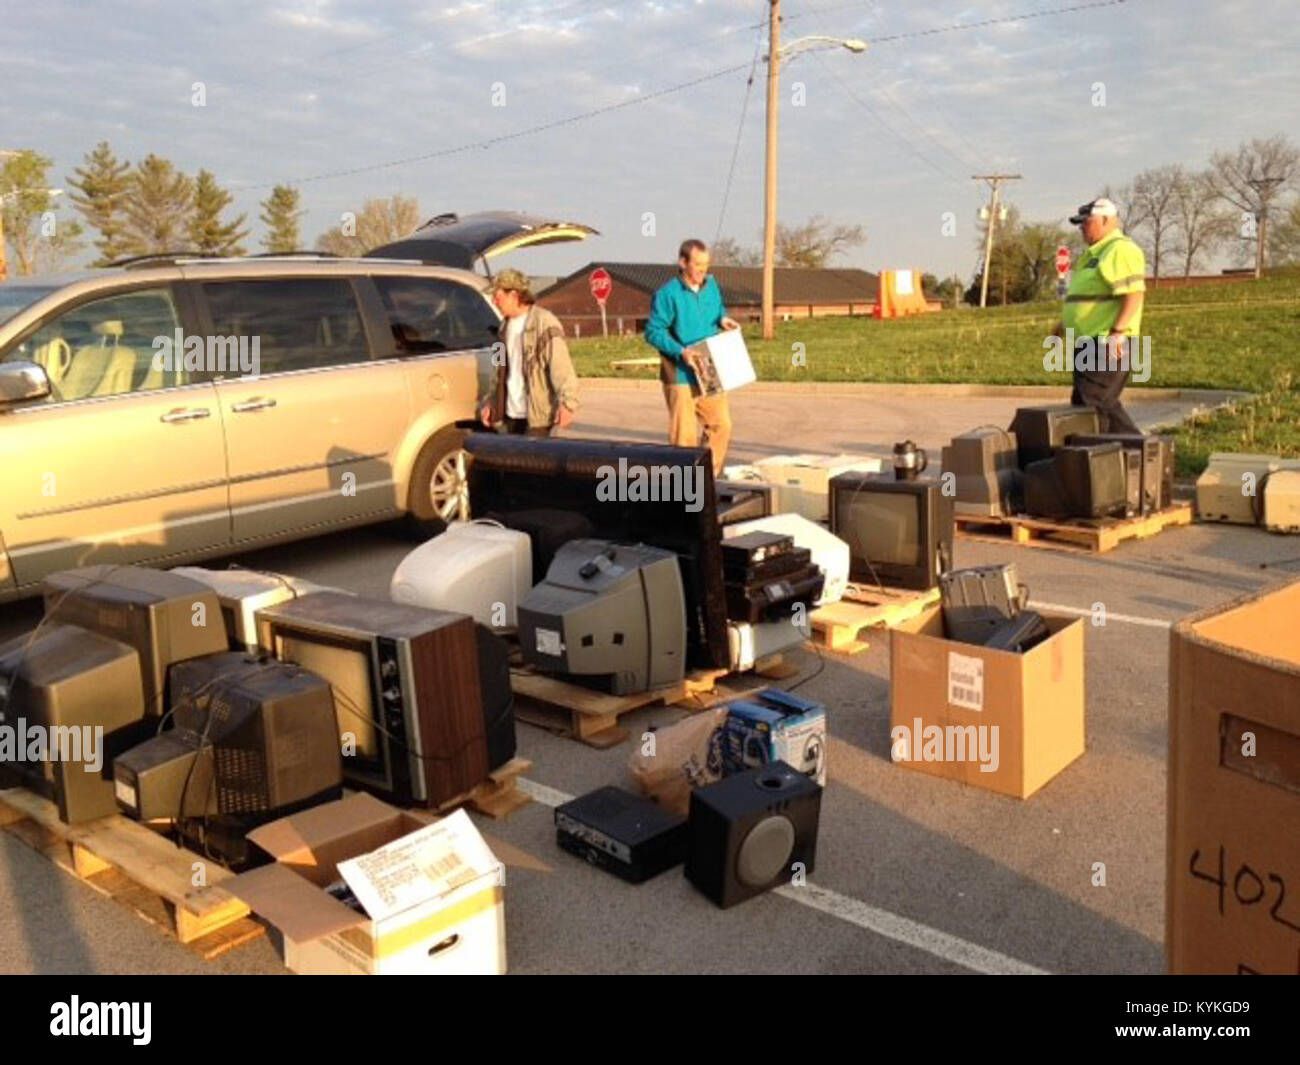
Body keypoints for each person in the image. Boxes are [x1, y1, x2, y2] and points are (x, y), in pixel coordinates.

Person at [644, 239, 741, 475]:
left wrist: (723, 319)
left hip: (709, 369)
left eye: (706, 265)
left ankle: (707, 479)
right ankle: (683, 491)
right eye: (697, 265)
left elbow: (718, 310)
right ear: (683, 262)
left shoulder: (712, 286)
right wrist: (681, 351)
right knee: (684, 439)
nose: (702, 270)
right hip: (680, 375)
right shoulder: (668, 294)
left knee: (721, 425)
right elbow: (653, 332)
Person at [1051, 197, 1146, 434]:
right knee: (1094, 404)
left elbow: (1134, 295)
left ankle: (1123, 456)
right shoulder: (1094, 254)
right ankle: (1135, 456)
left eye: (1086, 222)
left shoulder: (1120, 249)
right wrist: (1065, 323)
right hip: (1088, 342)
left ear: (1106, 220)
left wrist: (1117, 333)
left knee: (1091, 405)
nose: (1081, 227)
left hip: (1106, 342)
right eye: (1079, 223)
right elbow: (1089, 296)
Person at [480, 268, 579, 437]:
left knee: (533, 463)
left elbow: (561, 367)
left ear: (513, 295)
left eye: (497, 297)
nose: (495, 302)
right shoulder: (502, 328)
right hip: (509, 416)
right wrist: (490, 401)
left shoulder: (545, 323)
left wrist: (568, 403)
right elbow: (497, 371)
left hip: (537, 419)